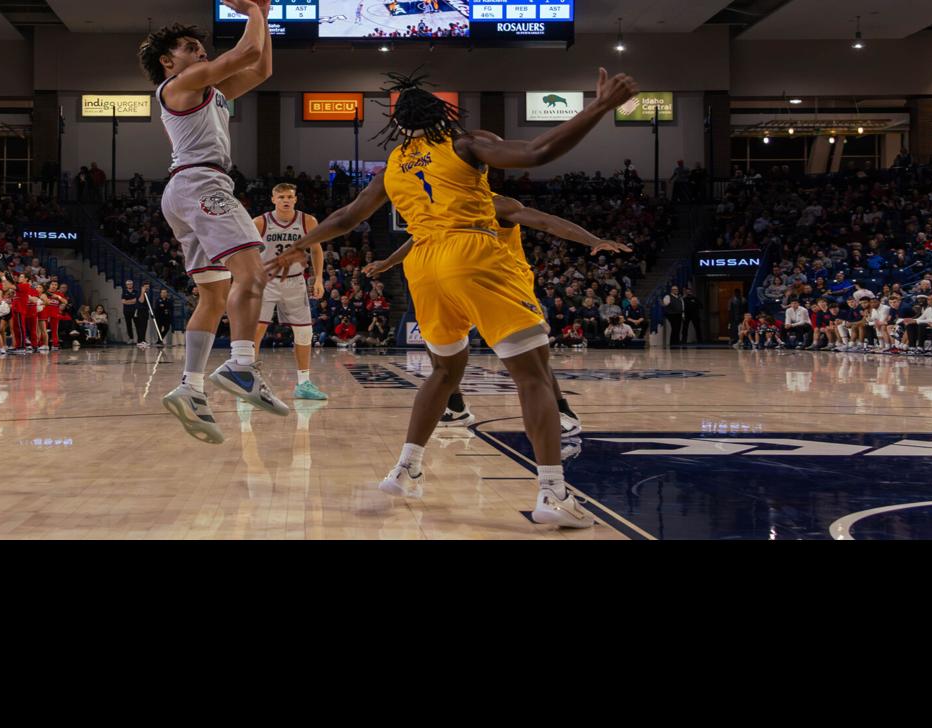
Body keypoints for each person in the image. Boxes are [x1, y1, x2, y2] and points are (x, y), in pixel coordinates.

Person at [269, 65, 640, 528]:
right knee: (534, 376)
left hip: (423, 265)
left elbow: (345, 218)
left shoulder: (394, 167)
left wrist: (299, 247)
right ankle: (553, 493)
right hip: (473, 253)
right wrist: (601, 106)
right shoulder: (465, 143)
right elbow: (537, 151)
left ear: (400, 125)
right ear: (444, 114)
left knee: (444, 372)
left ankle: (405, 467)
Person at [369, 192, 628, 434]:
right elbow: (420, 237)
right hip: (460, 280)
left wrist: (593, 240)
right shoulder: (445, 205)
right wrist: (389, 262)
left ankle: (562, 412)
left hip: (502, 282)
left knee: (530, 354)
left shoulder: (495, 203)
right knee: (437, 341)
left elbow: (545, 222)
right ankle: (456, 406)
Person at [143, 2, 284, 445]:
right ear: (169, 61)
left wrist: (260, 15)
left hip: (186, 190)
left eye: (202, 47)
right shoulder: (179, 83)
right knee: (253, 276)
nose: (201, 52)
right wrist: (252, 11)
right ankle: (242, 366)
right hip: (203, 184)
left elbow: (259, 70)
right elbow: (242, 54)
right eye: (190, 47)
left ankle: (191, 387)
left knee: (214, 297)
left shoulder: (210, 90)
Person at [250, 183, 328, 400]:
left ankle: (303, 383)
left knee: (304, 332)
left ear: (295, 199)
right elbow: (247, 252)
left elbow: (316, 249)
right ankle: (250, 383)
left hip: (295, 282)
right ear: (273, 199)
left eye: (289, 197)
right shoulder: (259, 222)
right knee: (256, 332)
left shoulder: (307, 221)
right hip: (267, 281)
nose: (286, 200)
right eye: (281, 196)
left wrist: (319, 277)